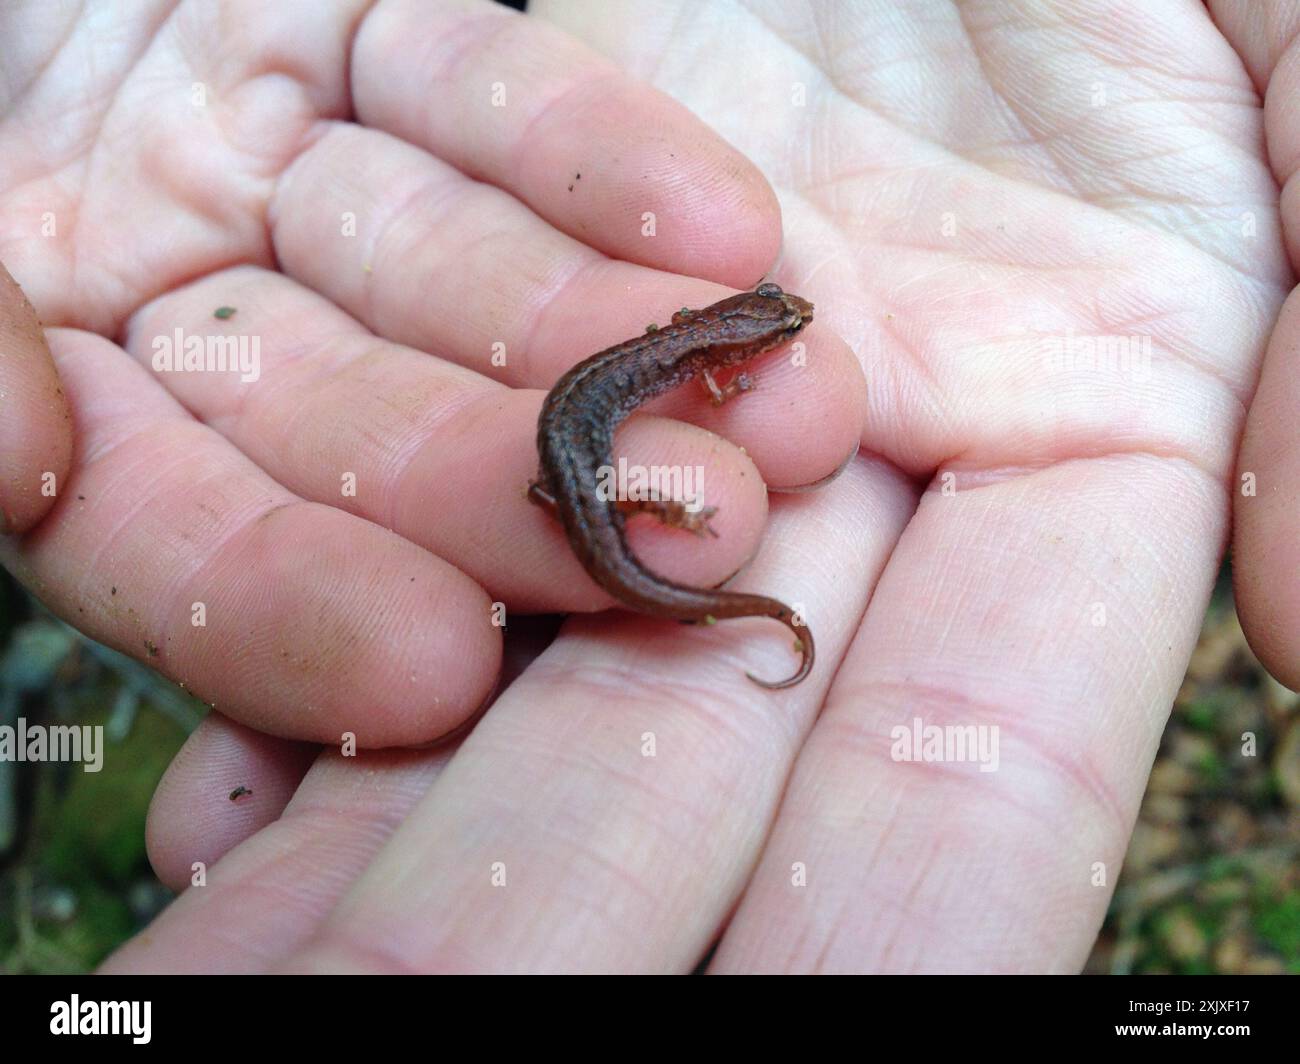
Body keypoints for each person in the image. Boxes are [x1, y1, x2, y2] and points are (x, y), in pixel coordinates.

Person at [0, 0, 1293, 973]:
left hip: (565, 473)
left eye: (773, 331)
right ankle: (693, 576)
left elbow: (695, 371)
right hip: (574, 473)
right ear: (733, 344)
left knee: (591, 515)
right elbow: (703, 382)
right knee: (572, 550)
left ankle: (671, 567)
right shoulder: (706, 365)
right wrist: (665, 503)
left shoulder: (697, 347)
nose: (777, 340)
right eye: (767, 335)